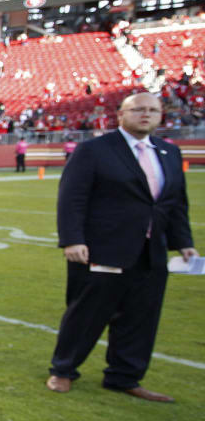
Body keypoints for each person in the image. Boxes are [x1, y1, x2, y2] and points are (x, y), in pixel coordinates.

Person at [47, 91, 196, 401]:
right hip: (103, 248)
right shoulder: (94, 150)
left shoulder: (169, 152)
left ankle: (124, 376)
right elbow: (72, 197)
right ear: (121, 115)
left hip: (152, 251)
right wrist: (73, 239)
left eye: (153, 110)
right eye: (138, 109)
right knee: (87, 312)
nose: (146, 114)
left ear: (161, 115)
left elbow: (175, 203)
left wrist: (184, 243)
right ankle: (62, 370)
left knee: (142, 317)